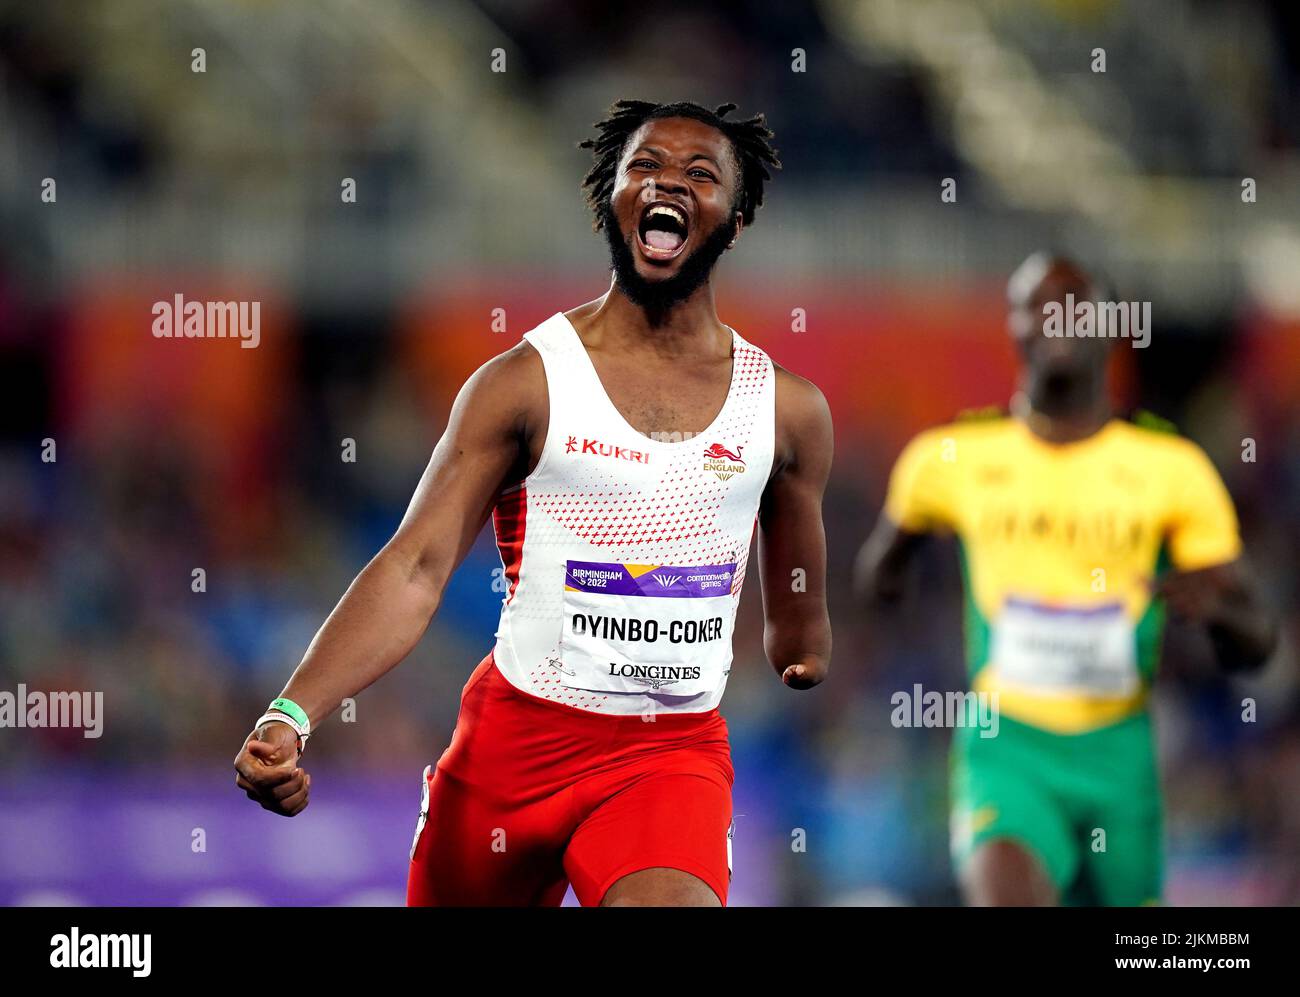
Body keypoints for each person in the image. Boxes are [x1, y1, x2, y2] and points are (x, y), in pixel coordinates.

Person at [234, 100, 834, 907]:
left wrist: (802, 646)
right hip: (512, 748)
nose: (670, 184)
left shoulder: (785, 410)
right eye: (646, 166)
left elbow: (799, 614)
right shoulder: (523, 382)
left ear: (736, 217)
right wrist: (291, 713)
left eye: (701, 174)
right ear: (611, 198)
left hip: (668, 754)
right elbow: (416, 565)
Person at [855, 252, 1276, 905]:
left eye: (1076, 303)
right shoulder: (952, 457)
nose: (1057, 317)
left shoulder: (1171, 468)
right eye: (1037, 303)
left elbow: (1258, 641)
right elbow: (878, 573)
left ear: (1111, 325)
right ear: (1014, 325)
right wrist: (896, 588)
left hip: (1120, 753)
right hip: (1008, 744)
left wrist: (1219, 614)